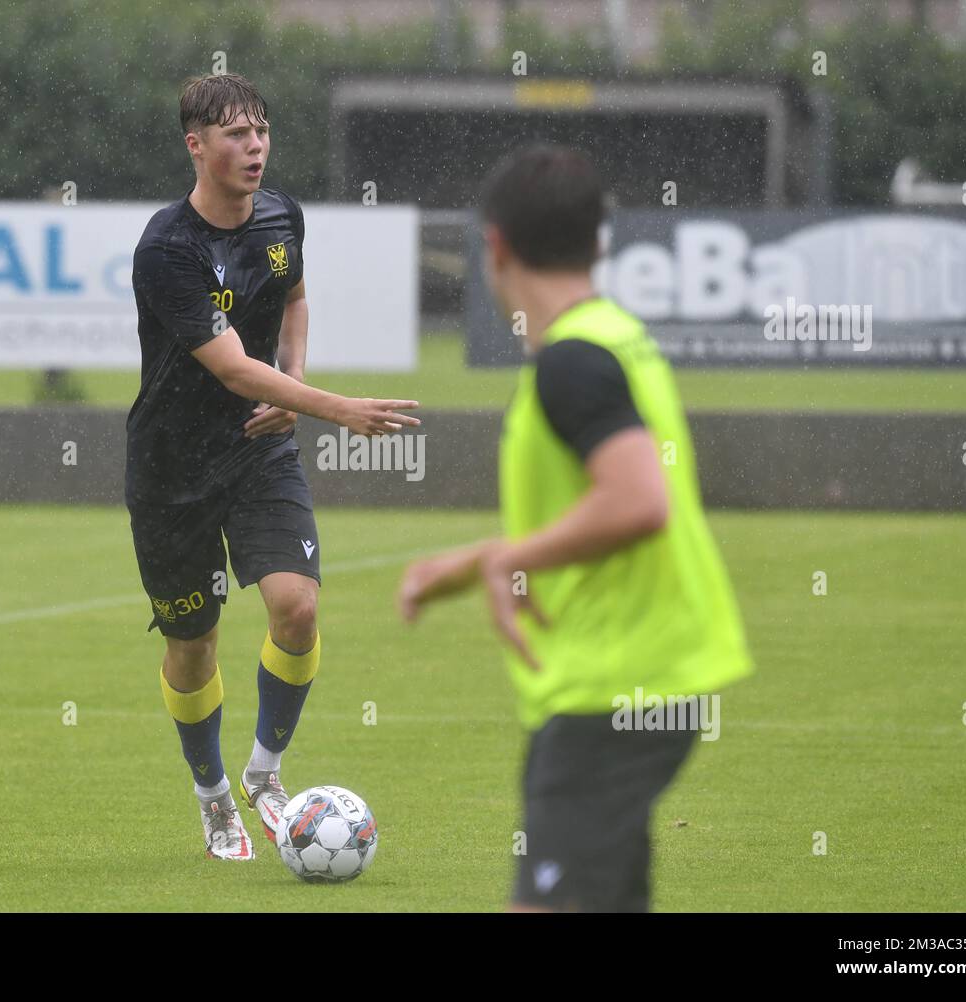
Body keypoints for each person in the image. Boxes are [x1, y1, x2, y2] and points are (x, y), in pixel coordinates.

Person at [397, 144, 753, 911]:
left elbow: (636, 501)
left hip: (612, 689)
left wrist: (510, 559)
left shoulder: (571, 363)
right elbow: (596, 511)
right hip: (650, 681)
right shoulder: (617, 336)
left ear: (493, 245)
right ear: (600, 241)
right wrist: (467, 566)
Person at [128, 72, 419, 860]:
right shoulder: (167, 249)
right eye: (234, 135)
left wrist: (293, 386)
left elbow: (292, 300)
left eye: (260, 131)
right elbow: (229, 367)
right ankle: (212, 794)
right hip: (170, 469)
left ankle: (263, 773)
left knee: (296, 607)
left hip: (258, 449)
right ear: (197, 146)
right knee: (195, 644)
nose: (254, 147)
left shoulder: (282, 217)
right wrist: (337, 406)